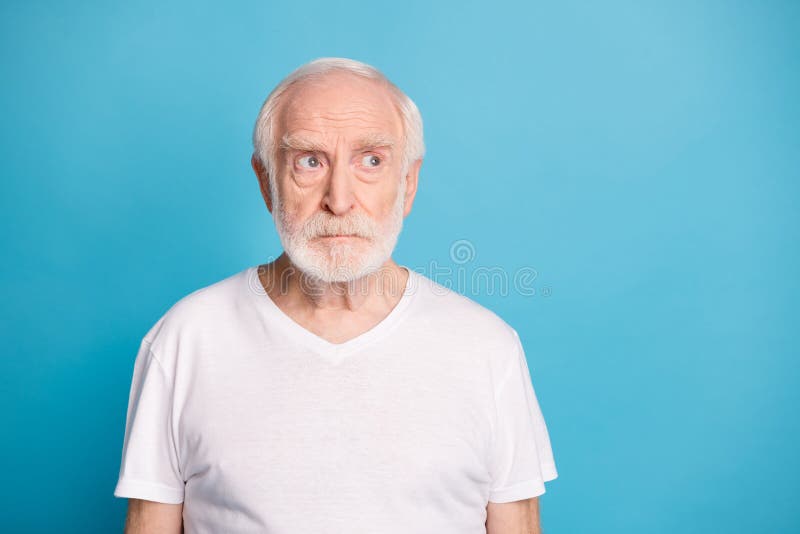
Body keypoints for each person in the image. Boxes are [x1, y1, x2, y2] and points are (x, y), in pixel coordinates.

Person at [113, 57, 558, 534]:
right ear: (267, 183)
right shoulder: (185, 339)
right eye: (309, 161)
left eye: (371, 161)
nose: (339, 199)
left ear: (408, 183)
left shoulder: (488, 348)